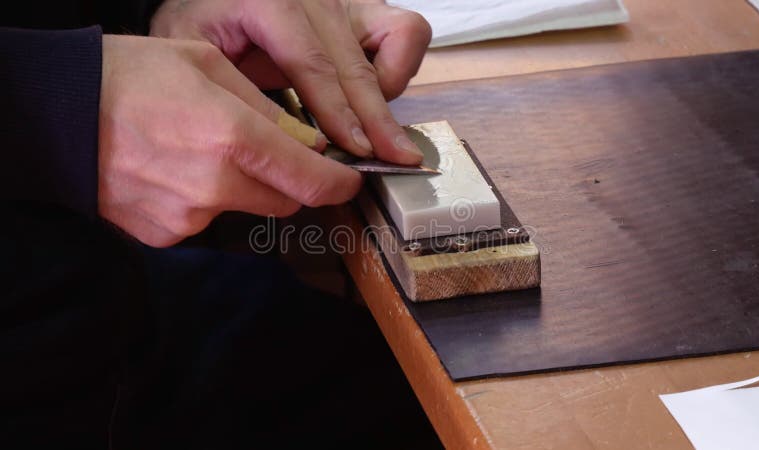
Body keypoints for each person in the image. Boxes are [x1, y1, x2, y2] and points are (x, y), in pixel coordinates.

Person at [1, 1, 440, 448]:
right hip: (31, 381)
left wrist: (156, 13)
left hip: (111, 300)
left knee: (408, 391)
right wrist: (52, 108)